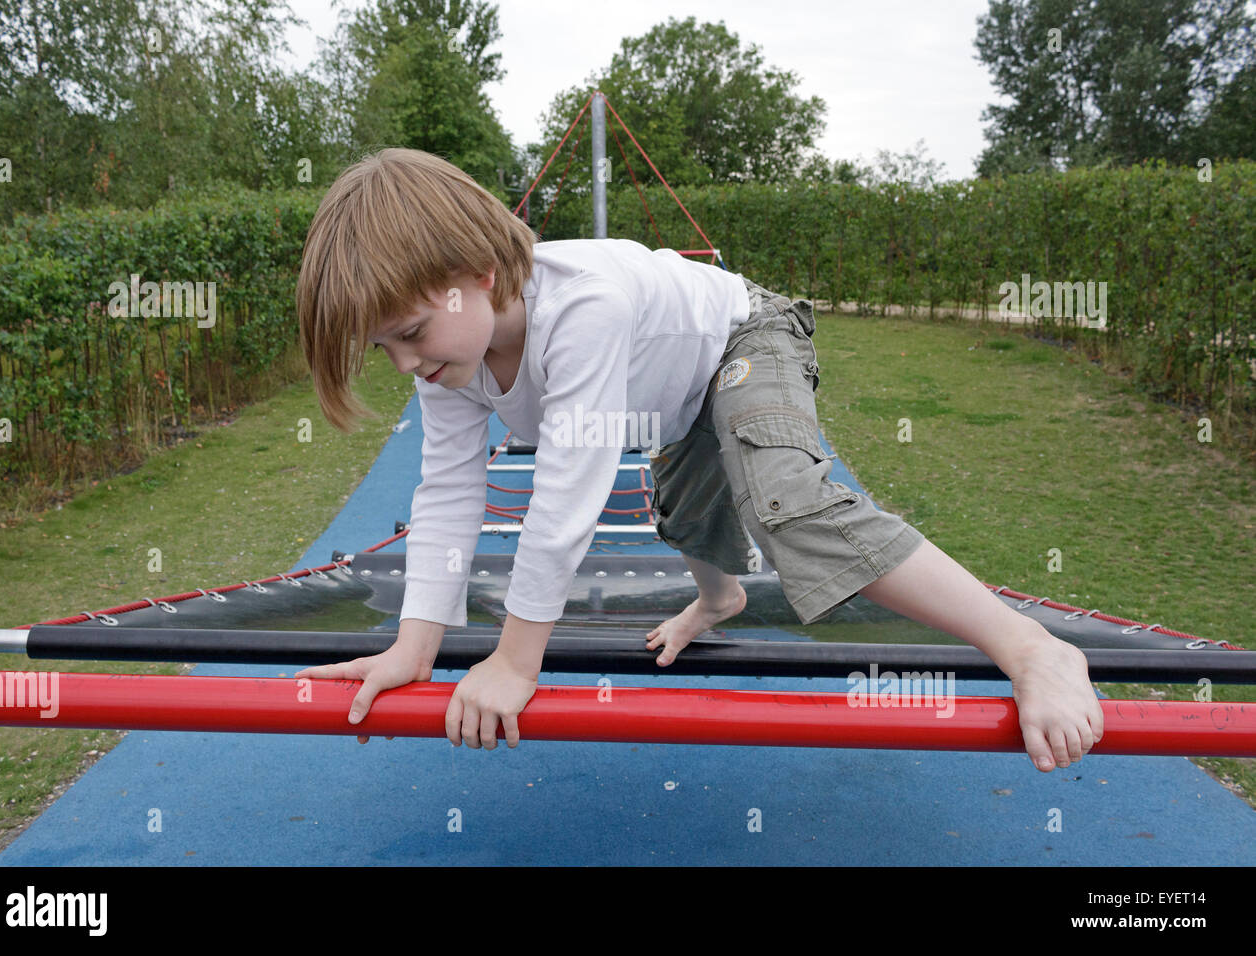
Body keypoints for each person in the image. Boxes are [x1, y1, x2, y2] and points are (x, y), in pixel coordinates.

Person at [294, 147, 1103, 773]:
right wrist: (415, 647)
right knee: (687, 512)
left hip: (743, 337)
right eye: (382, 348)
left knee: (787, 497)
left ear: (480, 276)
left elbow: (567, 494)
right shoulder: (451, 362)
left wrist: (514, 660)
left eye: (409, 334)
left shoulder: (582, 307)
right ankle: (720, 599)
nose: (403, 363)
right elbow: (445, 493)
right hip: (677, 398)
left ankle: (1031, 646)